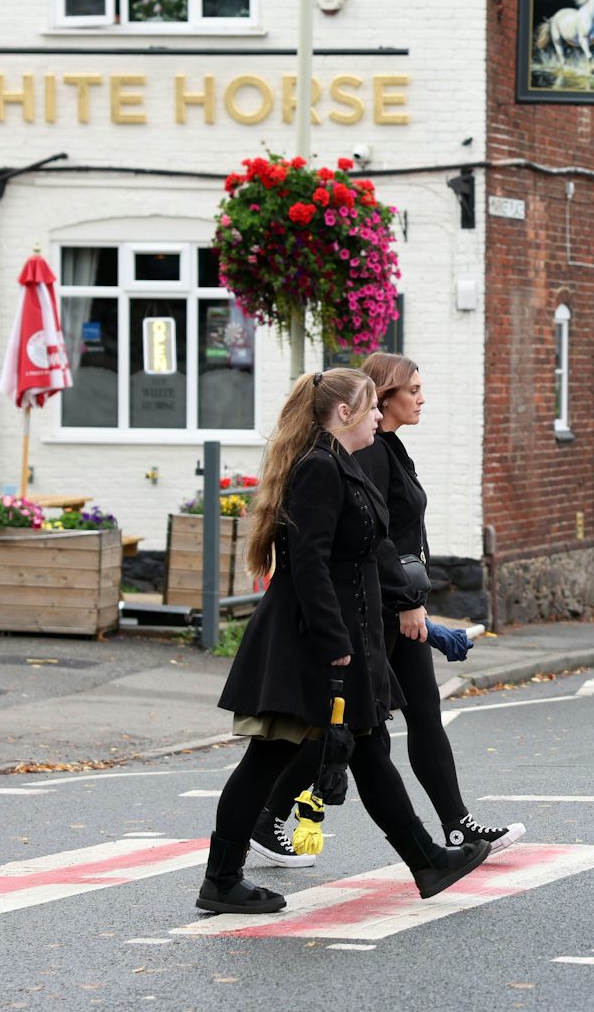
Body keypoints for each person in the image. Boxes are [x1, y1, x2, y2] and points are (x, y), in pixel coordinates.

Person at [194, 368, 490, 915]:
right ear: (346, 414)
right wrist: (335, 644)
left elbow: (371, 553)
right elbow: (307, 566)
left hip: (348, 639)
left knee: (372, 748)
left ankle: (427, 859)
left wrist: (414, 609)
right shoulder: (318, 471)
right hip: (310, 642)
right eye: (372, 407)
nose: (381, 415)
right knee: (268, 758)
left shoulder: (343, 467)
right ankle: (221, 879)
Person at [249, 352, 524, 867]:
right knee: (349, 726)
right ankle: (266, 819)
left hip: (393, 604)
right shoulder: (367, 453)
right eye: (412, 391)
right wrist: (406, 605)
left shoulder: (388, 448)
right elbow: (365, 544)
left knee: (410, 715)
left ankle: (453, 826)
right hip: (380, 611)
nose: (421, 399)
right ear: (383, 396)